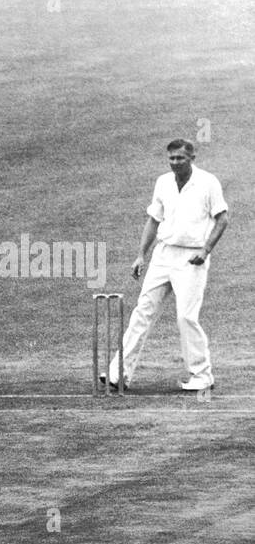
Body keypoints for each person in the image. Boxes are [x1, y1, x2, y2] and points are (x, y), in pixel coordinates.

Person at [110, 138, 229, 391]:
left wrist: (206, 250)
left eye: (180, 158)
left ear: (192, 158)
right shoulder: (163, 182)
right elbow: (154, 220)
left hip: (192, 257)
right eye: (171, 158)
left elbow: (222, 219)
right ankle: (119, 372)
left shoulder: (208, 182)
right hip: (163, 255)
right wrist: (141, 254)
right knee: (143, 311)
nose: (175, 163)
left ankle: (202, 374)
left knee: (186, 316)